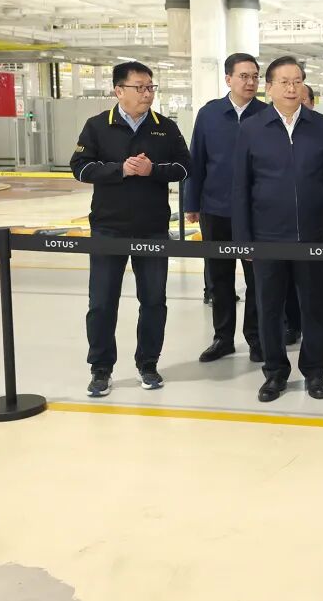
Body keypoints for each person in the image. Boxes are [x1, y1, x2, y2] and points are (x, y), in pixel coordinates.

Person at [70, 61, 191, 397]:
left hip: (152, 229)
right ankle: (101, 369)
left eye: (150, 87)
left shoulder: (165, 128)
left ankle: (148, 364)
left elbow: (185, 167)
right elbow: (79, 168)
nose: (147, 93)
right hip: (108, 228)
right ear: (118, 90)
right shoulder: (97, 126)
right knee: (101, 302)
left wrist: (153, 170)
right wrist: (119, 170)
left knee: (153, 300)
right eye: (140, 87)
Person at [232, 56, 323, 402]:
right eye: (284, 82)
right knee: (269, 309)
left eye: (297, 81)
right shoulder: (252, 128)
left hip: (313, 236)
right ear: (269, 88)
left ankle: (315, 372)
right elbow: (240, 186)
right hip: (267, 237)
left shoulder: (322, 127)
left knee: (315, 308)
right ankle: (275, 373)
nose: (292, 88)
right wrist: (244, 238)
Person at [185, 53, 267, 365]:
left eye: (255, 76)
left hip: (256, 212)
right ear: (228, 79)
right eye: (244, 76)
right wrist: (192, 203)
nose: (250, 82)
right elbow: (197, 159)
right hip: (215, 209)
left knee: (257, 278)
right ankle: (223, 338)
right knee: (219, 278)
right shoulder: (209, 114)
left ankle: (256, 338)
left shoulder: (266, 114)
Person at [298, 82, 323, 345]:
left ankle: (322, 331)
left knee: (317, 287)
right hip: (277, 230)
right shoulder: (262, 128)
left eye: (302, 99)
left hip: (315, 226)